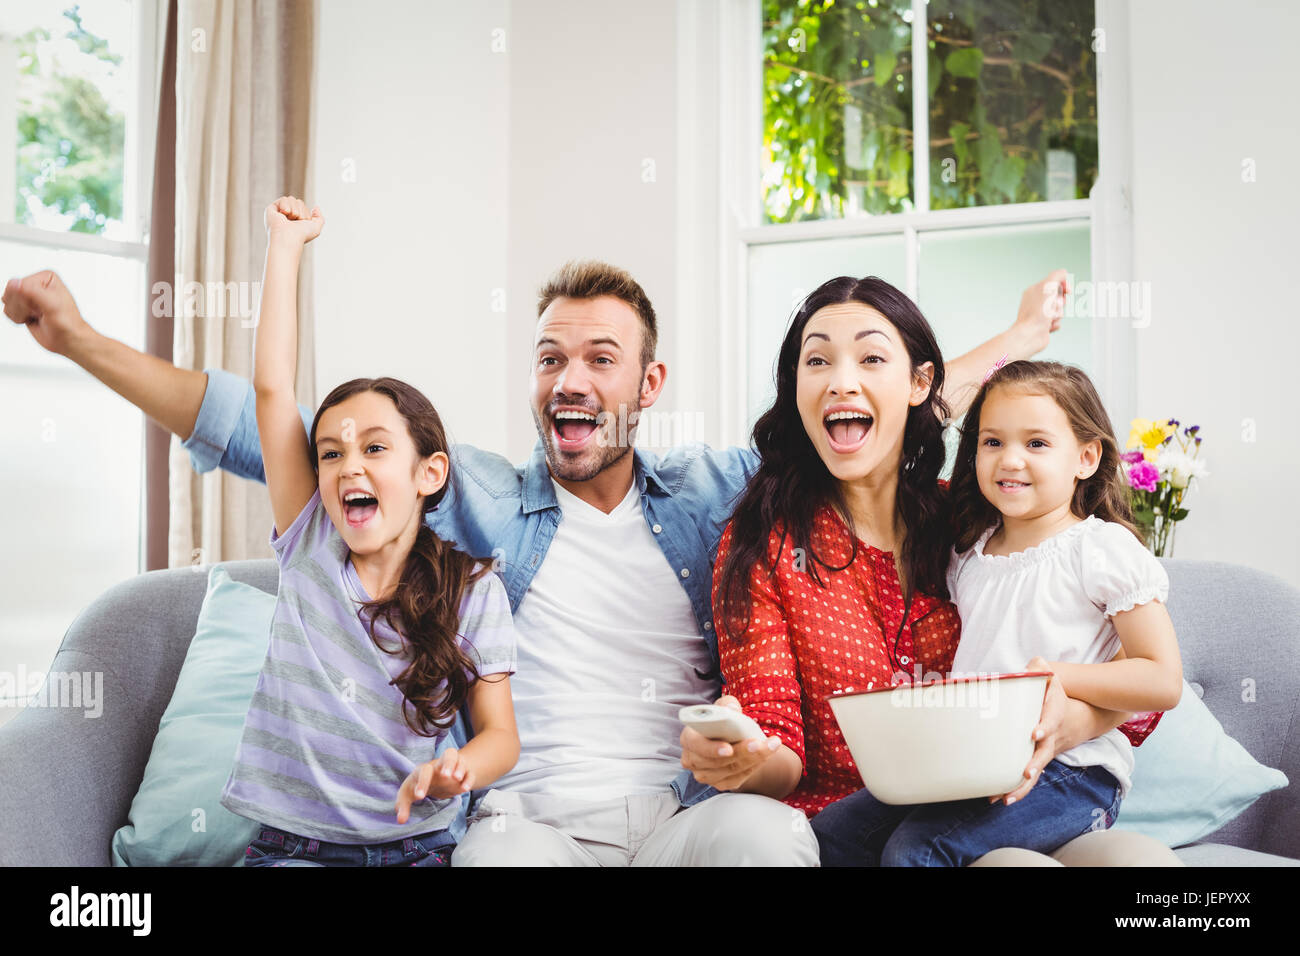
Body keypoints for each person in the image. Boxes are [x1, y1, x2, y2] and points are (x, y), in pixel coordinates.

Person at [6, 250, 1139, 865]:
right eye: (551, 355)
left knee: (763, 840)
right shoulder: (476, 496)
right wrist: (82, 340)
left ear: (647, 385)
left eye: (602, 355)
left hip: (685, 807)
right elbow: (270, 432)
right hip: (525, 819)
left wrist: (1008, 349)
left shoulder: (717, 494)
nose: (570, 377)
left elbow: (875, 406)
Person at [691, 276, 1173, 866]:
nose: (842, 380)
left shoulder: (971, 526)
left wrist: (1067, 720)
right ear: (796, 386)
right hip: (862, 822)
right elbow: (777, 744)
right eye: (816, 360)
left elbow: (1146, 680)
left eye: (871, 357)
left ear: (918, 383)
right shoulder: (769, 545)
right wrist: (741, 756)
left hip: (1025, 791)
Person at [230, 197, 519, 866]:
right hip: (291, 848)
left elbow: (501, 735)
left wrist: (461, 769)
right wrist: (286, 246)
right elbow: (271, 389)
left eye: (375, 449)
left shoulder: (473, 590)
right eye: (331, 452)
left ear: (429, 472)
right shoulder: (309, 543)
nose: (348, 465)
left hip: (416, 846)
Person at [809, 357, 1182, 866]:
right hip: (972, 761)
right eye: (992, 441)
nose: (1009, 459)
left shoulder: (1101, 550)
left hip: (1072, 771)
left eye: (1036, 443)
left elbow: (1162, 680)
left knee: (916, 851)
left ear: (1086, 458)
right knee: (832, 834)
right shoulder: (969, 554)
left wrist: (1057, 676)